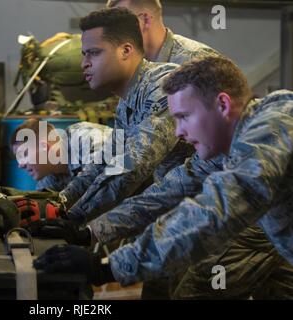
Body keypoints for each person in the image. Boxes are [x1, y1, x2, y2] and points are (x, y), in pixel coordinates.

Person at [34, 56, 293, 299]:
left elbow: (219, 206)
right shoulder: (222, 153)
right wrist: (89, 232)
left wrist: (109, 267)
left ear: (222, 105)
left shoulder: (275, 121)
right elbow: (165, 194)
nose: (178, 132)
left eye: (183, 117)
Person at [61, 0, 220, 223]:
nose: (83, 64)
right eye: (84, 54)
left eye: (94, 53)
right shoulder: (127, 101)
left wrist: (74, 218)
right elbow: (109, 159)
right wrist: (59, 203)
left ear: (127, 49)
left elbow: (132, 164)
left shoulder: (172, 79)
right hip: (183, 205)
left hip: (219, 212)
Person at [11, 118, 113, 192]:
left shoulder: (86, 138)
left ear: (44, 147)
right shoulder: (50, 176)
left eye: (24, 154)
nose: (21, 165)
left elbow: (101, 179)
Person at [106, 0, 217, 64]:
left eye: (120, 24)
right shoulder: (134, 64)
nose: (115, 33)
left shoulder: (198, 60)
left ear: (146, 20)